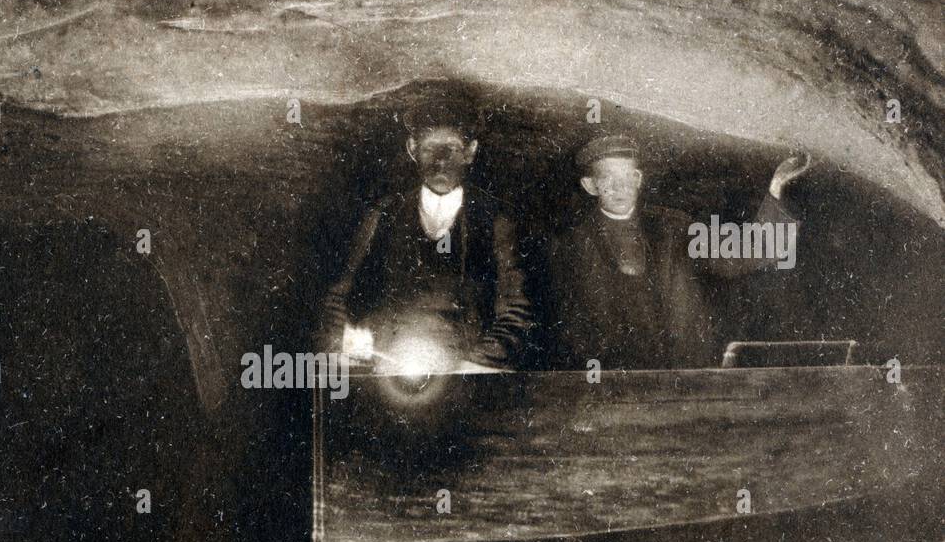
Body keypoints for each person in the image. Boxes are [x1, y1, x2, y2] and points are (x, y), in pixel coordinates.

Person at [549, 134, 811, 369]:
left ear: (638, 179)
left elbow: (735, 258)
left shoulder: (675, 226)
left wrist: (776, 186)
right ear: (590, 185)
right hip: (619, 383)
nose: (620, 187)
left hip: (685, 373)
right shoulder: (572, 245)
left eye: (627, 176)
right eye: (608, 178)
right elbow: (575, 333)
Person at [321, 103, 535, 370]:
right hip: (391, 368)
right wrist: (343, 348)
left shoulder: (495, 220)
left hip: (464, 367)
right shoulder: (384, 213)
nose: (441, 161)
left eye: (453, 149)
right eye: (429, 148)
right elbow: (338, 296)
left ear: (470, 152)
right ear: (412, 149)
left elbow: (516, 307)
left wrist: (476, 363)